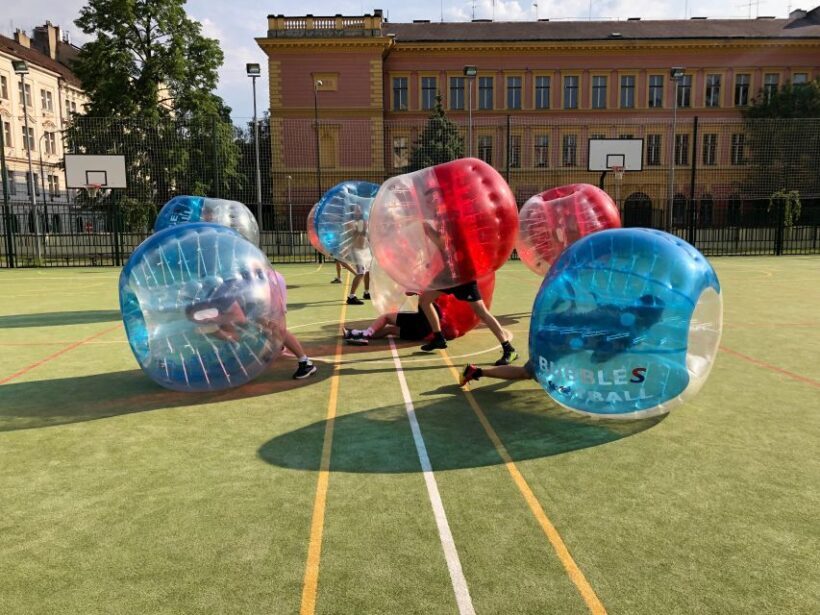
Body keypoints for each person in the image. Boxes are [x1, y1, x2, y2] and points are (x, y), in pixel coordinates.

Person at [460, 294, 665, 385]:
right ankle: (477, 372)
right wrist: (623, 349)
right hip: (555, 340)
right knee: (527, 373)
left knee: (538, 372)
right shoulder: (626, 332)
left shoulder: (617, 310)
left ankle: (479, 372)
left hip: (554, 324)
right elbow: (597, 358)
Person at [186, 271, 318, 380]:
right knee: (257, 323)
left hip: (267, 286)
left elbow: (239, 318)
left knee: (274, 325)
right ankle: (276, 346)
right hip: (253, 292)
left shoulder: (221, 295)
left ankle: (305, 362)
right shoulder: (205, 297)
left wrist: (214, 320)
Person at [342, 304, 440, 345]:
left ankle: (364, 335)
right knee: (390, 330)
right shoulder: (439, 303)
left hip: (418, 320)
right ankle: (353, 334)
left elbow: (410, 293)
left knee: (386, 317)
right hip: (420, 334)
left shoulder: (427, 290)